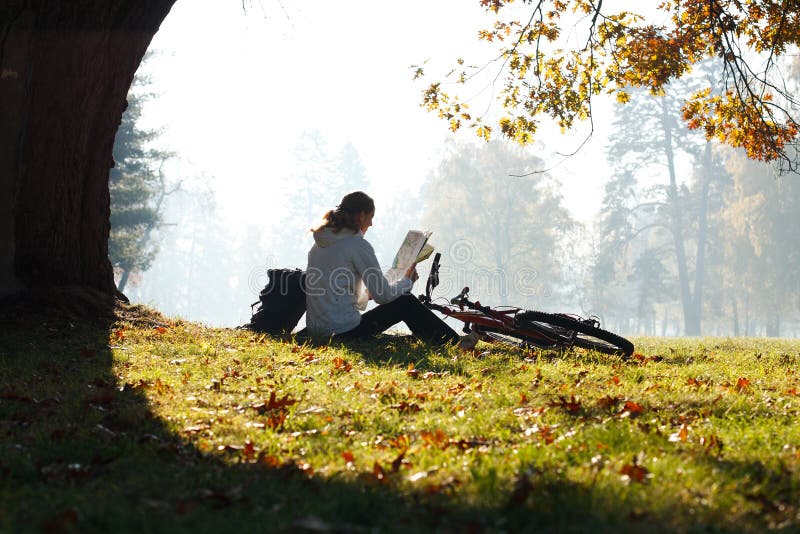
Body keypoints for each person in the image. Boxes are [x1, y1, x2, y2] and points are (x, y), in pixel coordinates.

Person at [304, 191, 460, 345]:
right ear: (361, 216)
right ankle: (454, 343)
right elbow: (383, 296)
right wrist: (407, 281)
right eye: (370, 218)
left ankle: (441, 340)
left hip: (318, 330)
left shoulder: (318, 245)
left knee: (399, 302)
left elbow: (335, 294)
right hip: (343, 332)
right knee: (406, 302)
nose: (371, 224)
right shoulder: (357, 245)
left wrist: (366, 295)